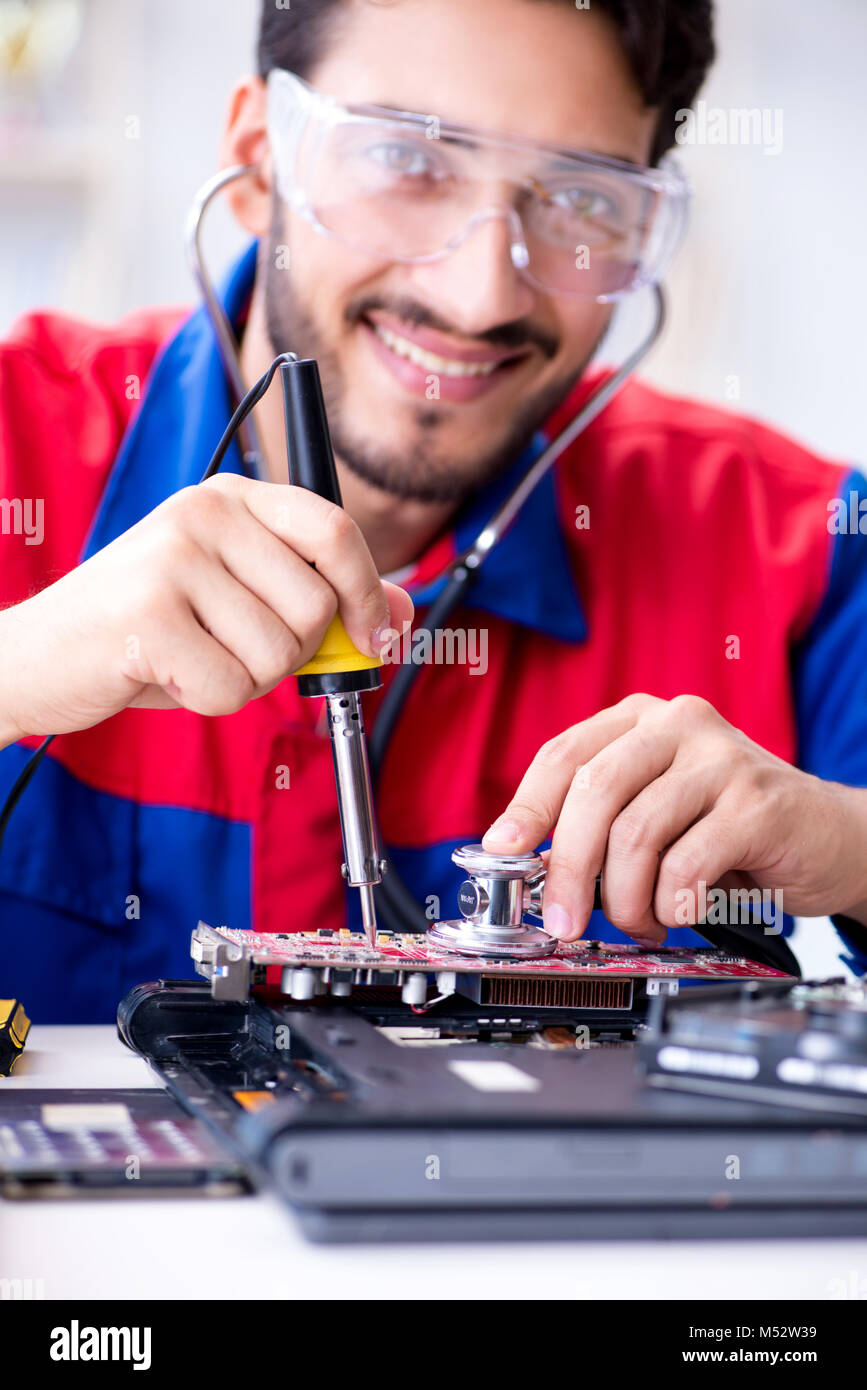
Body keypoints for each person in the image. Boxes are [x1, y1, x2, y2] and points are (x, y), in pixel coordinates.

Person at [2, 0, 866, 1024]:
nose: (480, 296)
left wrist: (853, 849)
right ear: (257, 156)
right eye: (410, 161)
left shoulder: (806, 547)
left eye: (581, 200)